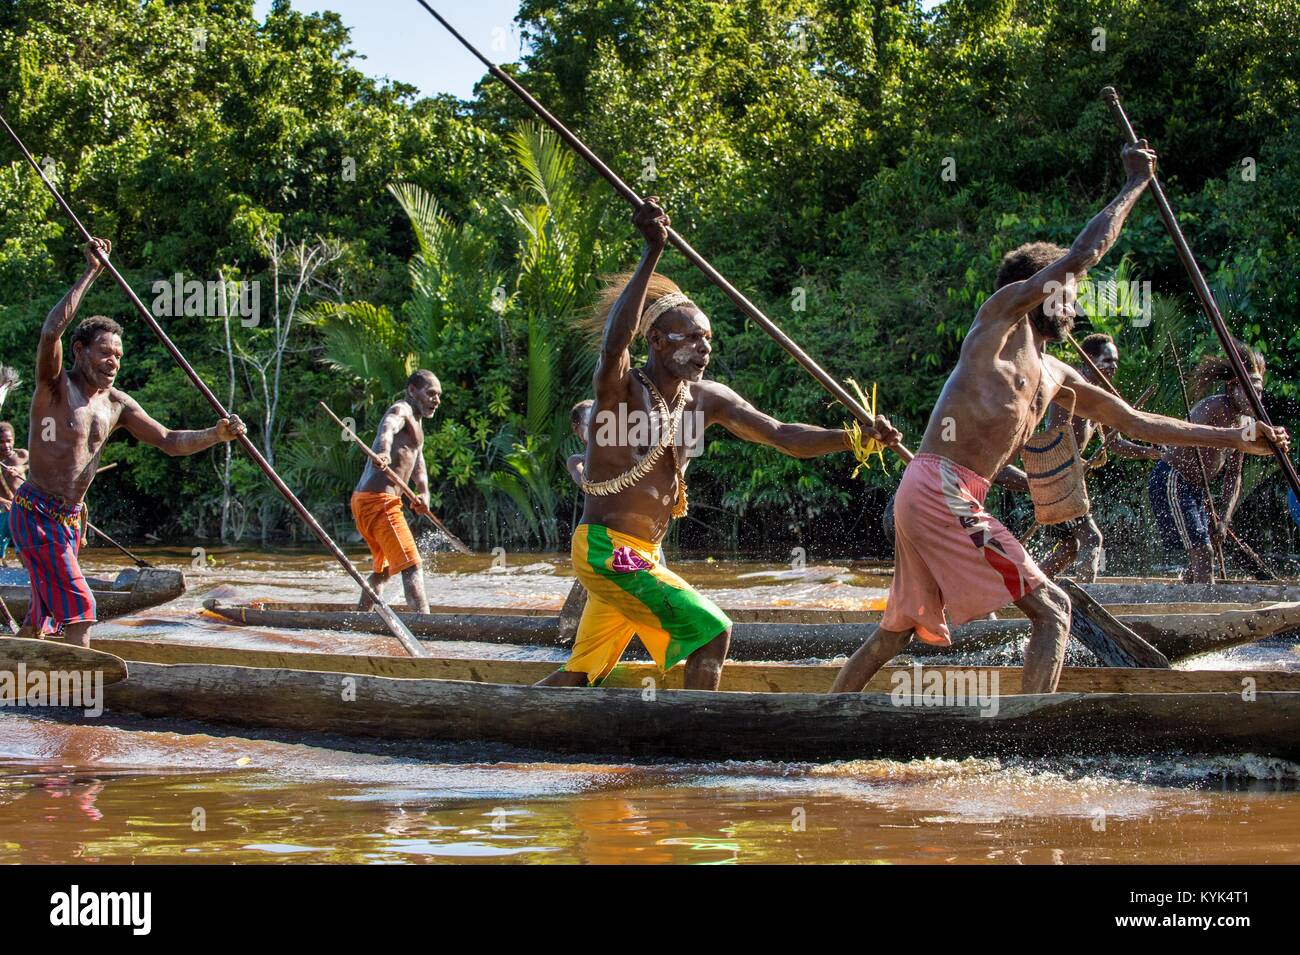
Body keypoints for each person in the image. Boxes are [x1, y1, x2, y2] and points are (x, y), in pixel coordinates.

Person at [830, 141, 1288, 696]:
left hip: (945, 494)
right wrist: (1135, 184)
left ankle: (829, 717)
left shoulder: (1057, 375)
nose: (1074, 308)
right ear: (1042, 288)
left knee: (895, 634)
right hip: (938, 488)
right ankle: (1031, 735)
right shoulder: (998, 323)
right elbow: (1082, 254)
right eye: (1066, 295)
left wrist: (1239, 436)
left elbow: (1138, 423)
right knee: (1053, 608)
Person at [539, 197, 902, 689]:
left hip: (642, 555)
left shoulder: (705, 400)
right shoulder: (619, 390)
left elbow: (780, 435)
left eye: (708, 339)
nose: (704, 348)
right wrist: (652, 252)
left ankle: (498, 721)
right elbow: (614, 343)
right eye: (690, 338)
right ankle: (694, 754)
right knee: (712, 634)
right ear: (658, 343)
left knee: (582, 675)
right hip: (606, 550)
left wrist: (856, 438)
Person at [16, 238, 245, 646]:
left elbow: (170, 441)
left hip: (69, 522)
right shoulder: (54, 387)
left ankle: (21, 666)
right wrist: (92, 271)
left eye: (118, 356)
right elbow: (51, 330)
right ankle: (78, 698)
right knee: (81, 610)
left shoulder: (119, 405)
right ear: (80, 351)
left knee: (44, 615)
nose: (113, 363)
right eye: (104, 353)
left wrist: (217, 433)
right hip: (36, 514)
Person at [1037, 333, 1160, 581]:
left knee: (1071, 547)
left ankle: (1028, 589)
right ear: (1088, 361)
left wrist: (1148, 452)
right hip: (1058, 475)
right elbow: (1054, 435)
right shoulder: (1071, 391)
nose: (1113, 367)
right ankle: (1086, 600)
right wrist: (1070, 465)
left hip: (1067, 475)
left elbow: (1112, 444)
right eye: (1107, 360)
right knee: (1092, 538)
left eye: (1115, 361)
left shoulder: (1095, 397)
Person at [1147, 339, 1269, 583]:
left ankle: (1186, 594)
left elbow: (1234, 475)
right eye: (1250, 389)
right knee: (1204, 553)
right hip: (1172, 479)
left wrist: (1223, 519)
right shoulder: (1212, 407)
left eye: (1259, 391)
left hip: (1195, 490)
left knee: (1206, 552)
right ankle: (1204, 609)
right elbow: (1186, 433)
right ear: (1232, 387)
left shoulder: (1246, 425)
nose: (1255, 397)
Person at [351, 370, 441, 614]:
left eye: (438, 396)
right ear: (412, 390)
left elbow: (418, 464)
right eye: (430, 393)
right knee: (412, 566)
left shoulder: (417, 425)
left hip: (367, 501)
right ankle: (425, 627)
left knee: (382, 572)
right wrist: (382, 452)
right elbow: (387, 430)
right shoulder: (401, 410)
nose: (436, 400)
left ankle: (359, 621)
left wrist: (424, 494)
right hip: (379, 501)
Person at [558, 399, 595, 638]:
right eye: (590, 423)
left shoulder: (622, 452)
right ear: (577, 429)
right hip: (596, 537)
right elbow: (585, 482)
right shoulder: (577, 460)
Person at [0, 422, 29, 564]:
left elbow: (38, 465)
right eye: (1, 442)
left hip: (22, 509)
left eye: (8, 441)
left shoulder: (22, 454)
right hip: (4, 511)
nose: (6, 445)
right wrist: (4, 502)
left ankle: (30, 578)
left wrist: (22, 468)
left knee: (23, 550)